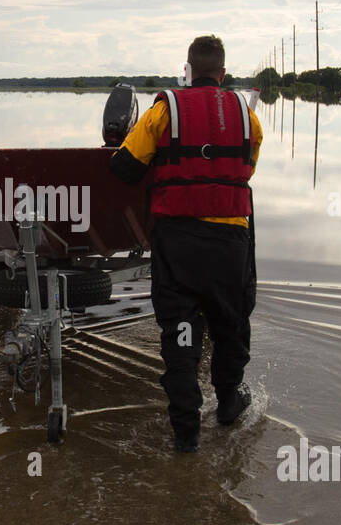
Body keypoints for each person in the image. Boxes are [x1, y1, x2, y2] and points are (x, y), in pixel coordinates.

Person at [109, 35, 263, 452]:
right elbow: (244, 166)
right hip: (231, 240)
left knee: (179, 329)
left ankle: (186, 432)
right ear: (224, 74)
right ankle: (229, 402)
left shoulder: (164, 110)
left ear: (188, 71)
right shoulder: (249, 117)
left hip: (177, 242)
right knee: (231, 323)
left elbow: (123, 168)